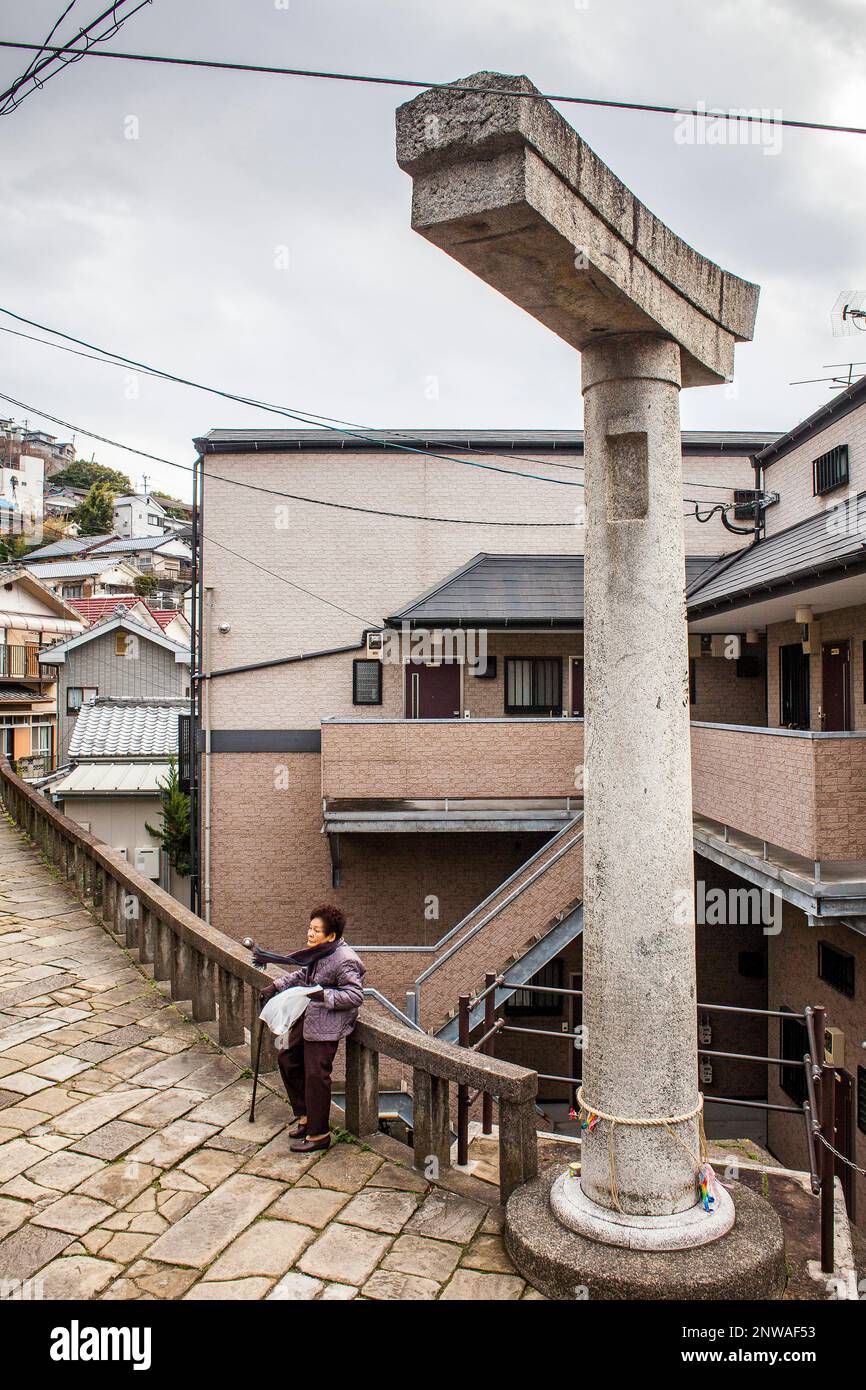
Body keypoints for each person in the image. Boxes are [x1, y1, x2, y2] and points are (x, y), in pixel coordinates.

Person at [259, 904, 365, 1153]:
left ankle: (319, 1134)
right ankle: (305, 1116)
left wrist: (322, 995)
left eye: (316, 930)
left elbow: (354, 995)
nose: (310, 934)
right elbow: (302, 975)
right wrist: (276, 986)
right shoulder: (319, 952)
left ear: (331, 936)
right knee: (287, 1057)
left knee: (317, 1076)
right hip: (308, 1018)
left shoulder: (346, 960)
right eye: (310, 928)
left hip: (327, 1024)